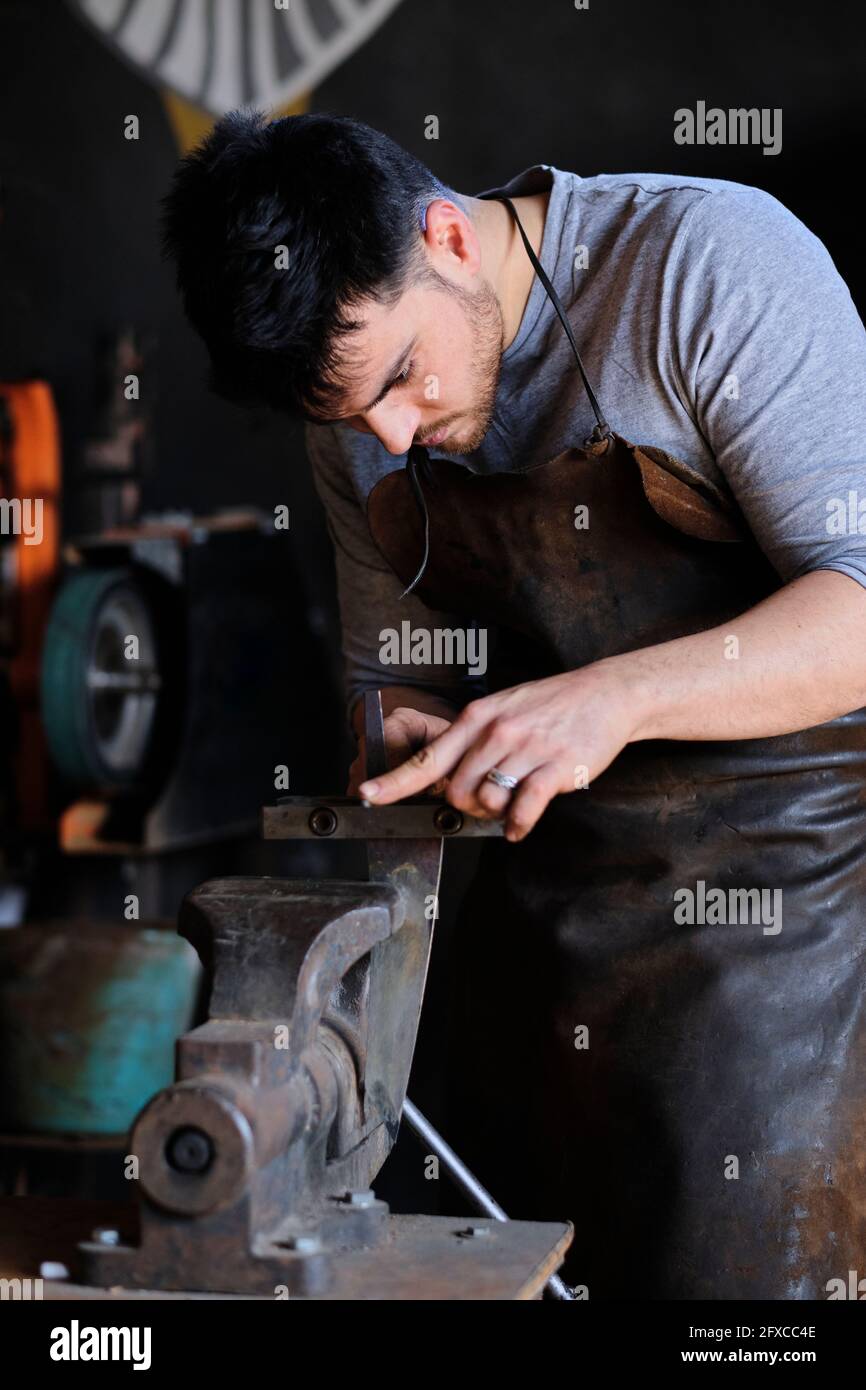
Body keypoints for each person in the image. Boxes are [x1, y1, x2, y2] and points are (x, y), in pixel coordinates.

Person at [162, 109, 866, 1300]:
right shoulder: (361, 419)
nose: (386, 435)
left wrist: (606, 702)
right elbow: (399, 669)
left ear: (444, 234)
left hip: (787, 922)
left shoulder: (702, 269)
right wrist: (394, 728)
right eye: (342, 420)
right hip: (547, 927)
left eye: (397, 379)